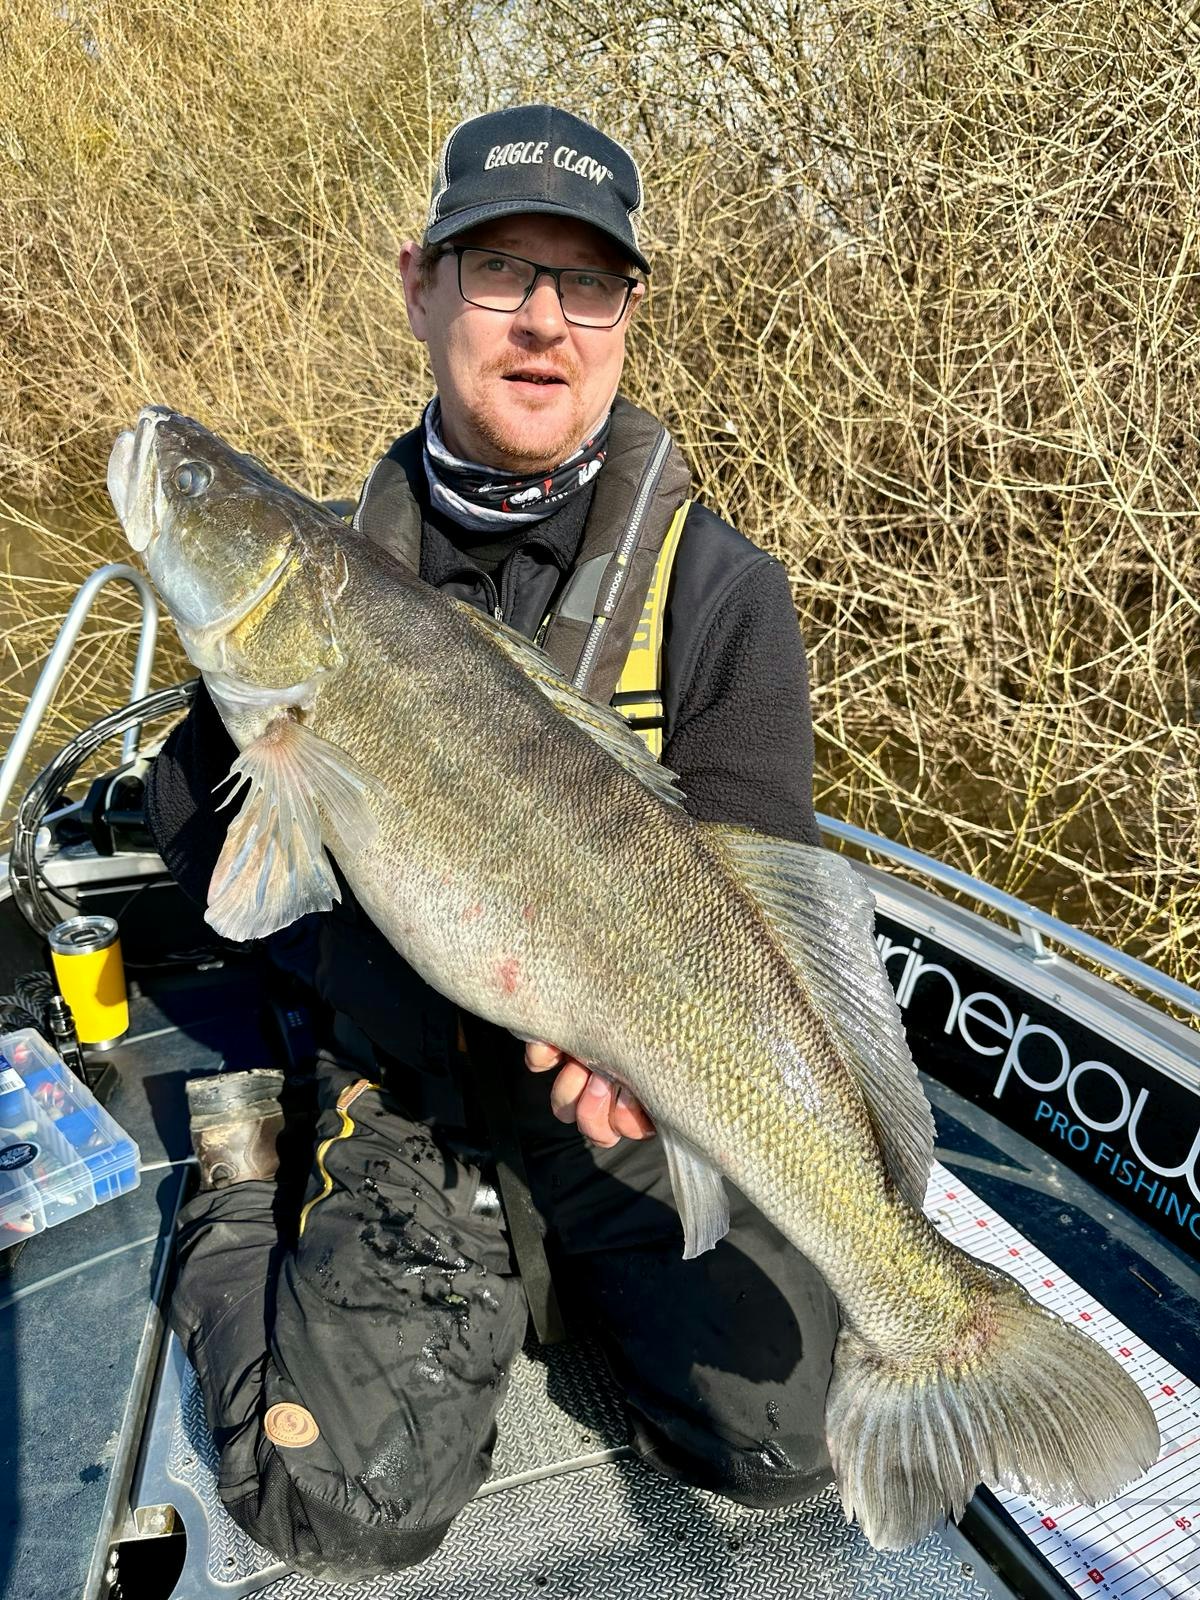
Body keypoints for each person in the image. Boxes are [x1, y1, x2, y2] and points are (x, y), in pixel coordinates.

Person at [147, 103, 839, 1582]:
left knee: (786, 1446)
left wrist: (651, 1059)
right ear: (420, 288)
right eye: (500, 268)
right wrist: (251, 727)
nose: (543, 320)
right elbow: (210, 860)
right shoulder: (325, 566)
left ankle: (569, 1259)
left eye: (587, 282)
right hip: (407, 1097)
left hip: (618, 1102)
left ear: (626, 318)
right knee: (337, 1504)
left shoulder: (724, 595)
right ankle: (237, 1196)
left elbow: (762, 920)